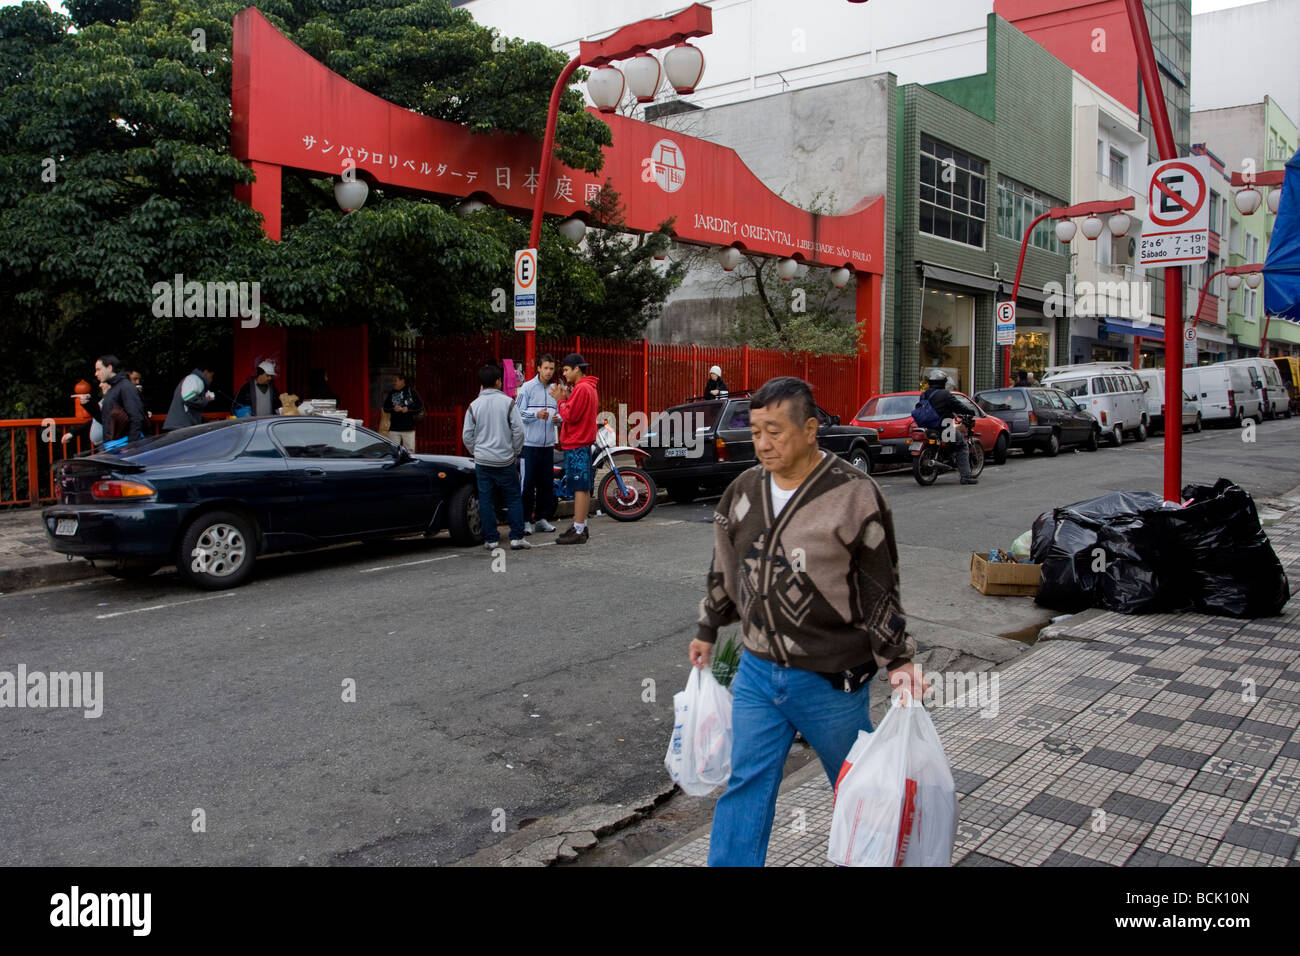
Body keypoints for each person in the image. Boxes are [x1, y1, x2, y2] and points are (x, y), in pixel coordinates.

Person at [689, 376, 926, 867]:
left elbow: (879, 584)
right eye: (755, 431)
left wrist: (898, 658)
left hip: (831, 678)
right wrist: (709, 627)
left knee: (859, 788)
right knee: (746, 787)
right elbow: (724, 564)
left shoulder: (854, 495)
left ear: (811, 428)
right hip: (758, 672)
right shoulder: (742, 490)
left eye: (774, 430)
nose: (763, 443)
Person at [462, 364, 530, 551]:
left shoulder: (473, 406)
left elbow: (467, 435)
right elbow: (519, 431)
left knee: (486, 498)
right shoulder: (508, 403)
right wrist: (514, 451)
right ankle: (516, 537)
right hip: (505, 459)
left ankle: (491, 539)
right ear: (498, 381)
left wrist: (476, 452)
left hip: (483, 461)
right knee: (514, 497)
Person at [550, 353, 599, 545]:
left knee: (579, 487)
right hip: (582, 442)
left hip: (577, 442)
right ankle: (581, 524)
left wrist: (560, 400)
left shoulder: (582, 388)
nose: (564, 373)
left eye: (566, 370)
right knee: (583, 488)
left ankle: (578, 528)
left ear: (577, 369)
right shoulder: (587, 388)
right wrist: (567, 398)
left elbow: (570, 416)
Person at [516, 353, 560, 534]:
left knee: (546, 484)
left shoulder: (555, 389)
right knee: (527, 484)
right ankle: (525, 520)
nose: (549, 372)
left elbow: (561, 412)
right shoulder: (526, 388)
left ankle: (542, 518)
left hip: (548, 444)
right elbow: (517, 413)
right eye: (546, 368)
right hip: (529, 445)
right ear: (539, 369)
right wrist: (535, 415)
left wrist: (558, 419)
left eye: (551, 368)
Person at [919, 368, 980, 485]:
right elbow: (958, 406)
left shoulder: (924, 394)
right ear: (943, 382)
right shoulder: (945, 395)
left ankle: (944, 459)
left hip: (926, 427)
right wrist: (970, 411)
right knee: (962, 445)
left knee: (951, 441)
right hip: (944, 426)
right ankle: (966, 477)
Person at [95, 354, 146, 443]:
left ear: (109, 368)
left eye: (98, 369)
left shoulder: (125, 387)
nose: (96, 373)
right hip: (115, 446)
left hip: (123, 448)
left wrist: (131, 446)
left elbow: (136, 418)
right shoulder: (114, 388)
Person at [162, 367, 215, 432]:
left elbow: (191, 410)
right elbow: (188, 398)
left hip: (177, 425)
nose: (211, 380)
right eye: (211, 376)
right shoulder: (195, 379)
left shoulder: (191, 379)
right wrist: (206, 400)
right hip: (180, 426)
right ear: (206, 372)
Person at [383, 372, 424, 451]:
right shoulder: (392, 393)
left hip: (408, 428)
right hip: (394, 429)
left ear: (402, 381)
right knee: (393, 452)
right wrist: (393, 409)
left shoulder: (411, 392)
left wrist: (408, 409)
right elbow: (385, 408)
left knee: (409, 452)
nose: (393, 383)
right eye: (393, 381)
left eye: (395, 380)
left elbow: (420, 407)